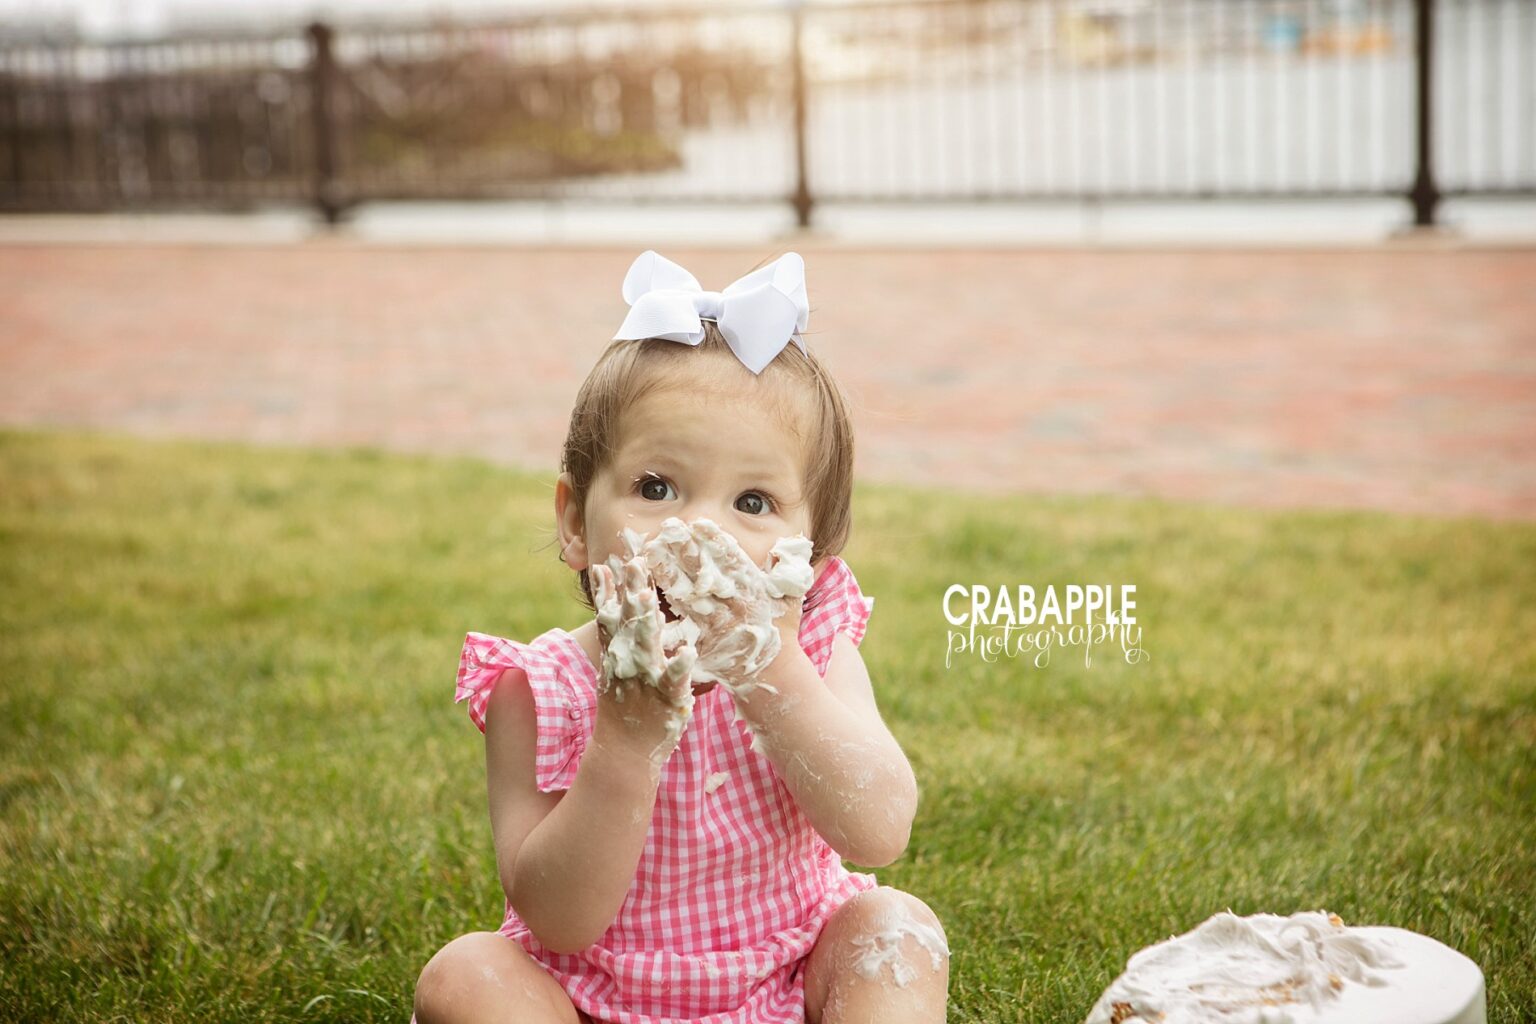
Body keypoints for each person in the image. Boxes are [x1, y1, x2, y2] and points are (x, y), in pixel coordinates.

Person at [412, 251, 949, 1024]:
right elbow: (558, 919)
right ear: (575, 525)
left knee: (895, 928)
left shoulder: (819, 655)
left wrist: (774, 674)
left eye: (754, 501)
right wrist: (625, 743)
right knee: (463, 978)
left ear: (810, 556)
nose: (700, 529)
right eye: (655, 489)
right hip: (590, 998)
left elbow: (878, 831)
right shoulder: (536, 689)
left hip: (787, 984)